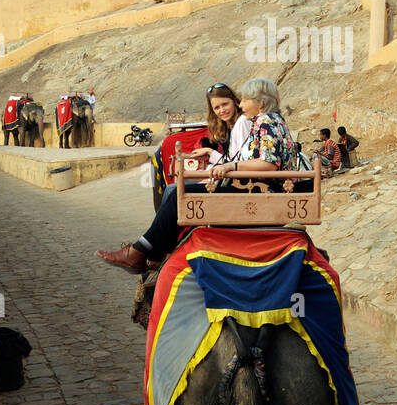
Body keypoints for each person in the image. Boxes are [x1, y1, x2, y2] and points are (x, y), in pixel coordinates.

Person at [96, 77, 298, 274]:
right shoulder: (271, 120)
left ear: (261, 103)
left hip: (257, 190)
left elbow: (268, 165)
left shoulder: (264, 122)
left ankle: (139, 252)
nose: (241, 104)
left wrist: (230, 166)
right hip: (253, 186)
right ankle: (148, 252)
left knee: (179, 194)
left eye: (245, 100)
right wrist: (222, 162)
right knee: (179, 190)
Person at [189, 82, 252, 167]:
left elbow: (240, 162)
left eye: (225, 104)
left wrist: (210, 152)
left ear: (234, 101)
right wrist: (209, 152)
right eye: (217, 108)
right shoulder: (231, 126)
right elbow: (231, 162)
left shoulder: (242, 121)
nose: (222, 110)